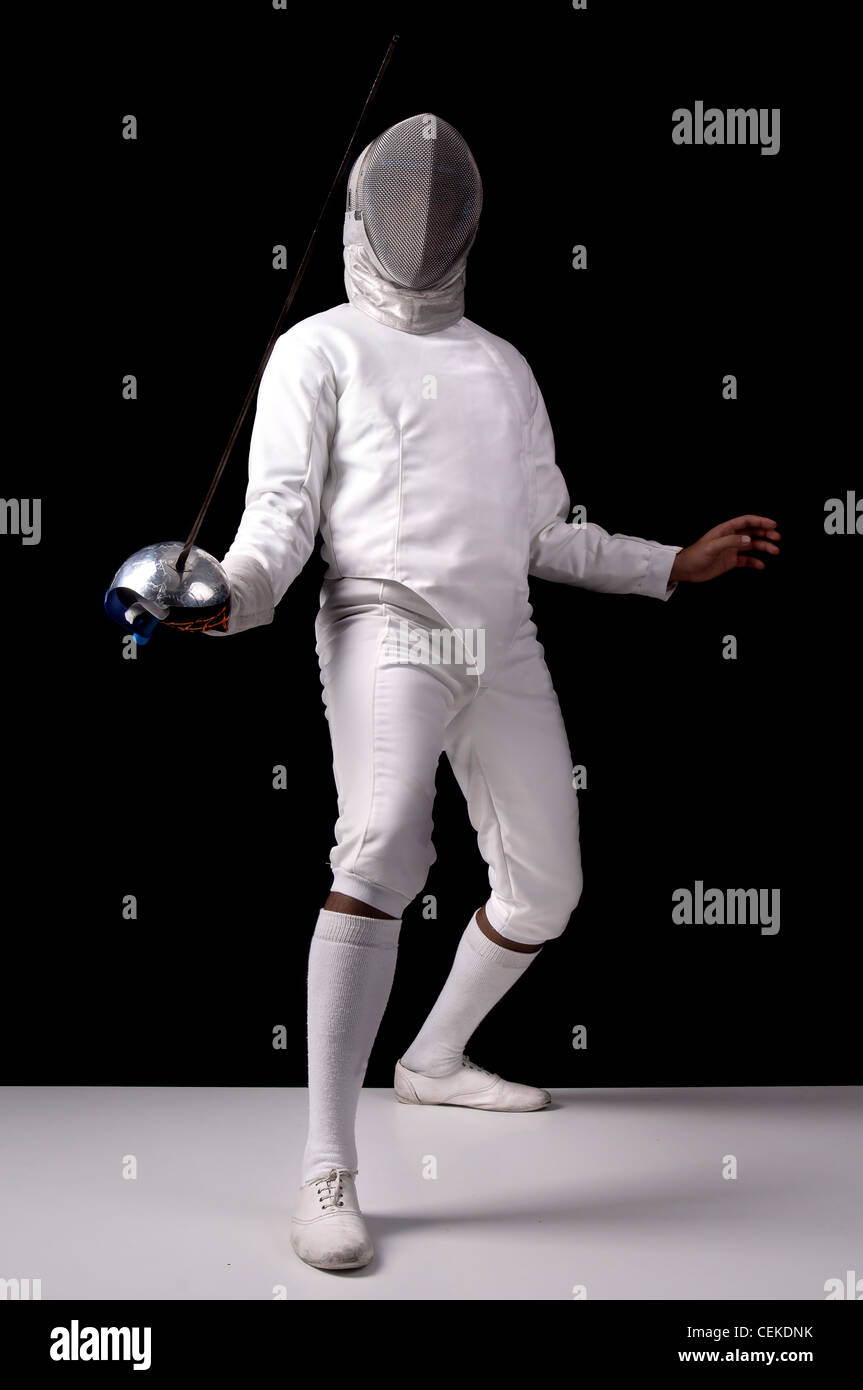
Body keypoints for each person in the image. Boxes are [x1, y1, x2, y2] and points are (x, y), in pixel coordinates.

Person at [200, 113, 780, 1271]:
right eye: (403, 201)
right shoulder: (316, 349)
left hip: (495, 638)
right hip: (383, 622)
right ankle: (327, 1162)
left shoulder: (501, 363)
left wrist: (668, 562)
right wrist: (228, 591)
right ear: (365, 218)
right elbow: (277, 523)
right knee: (376, 851)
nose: (421, 218)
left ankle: (431, 1061)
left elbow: (544, 534)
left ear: (465, 221)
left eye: (440, 200)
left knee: (548, 886)